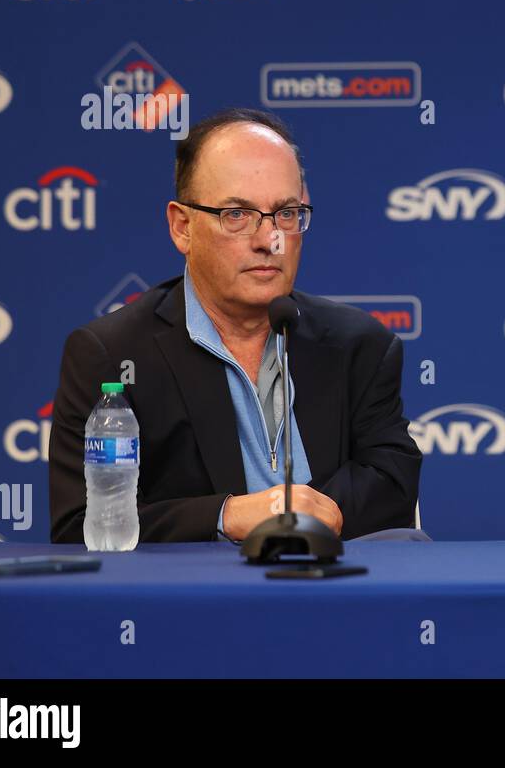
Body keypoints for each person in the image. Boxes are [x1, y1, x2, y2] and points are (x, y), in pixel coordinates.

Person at [49, 107, 423, 543]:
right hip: (194, 605)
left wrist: (302, 519)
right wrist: (225, 515)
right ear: (182, 227)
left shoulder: (361, 345)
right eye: (237, 215)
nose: (269, 240)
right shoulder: (111, 356)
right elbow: (81, 526)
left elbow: (393, 484)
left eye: (286, 213)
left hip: (333, 592)